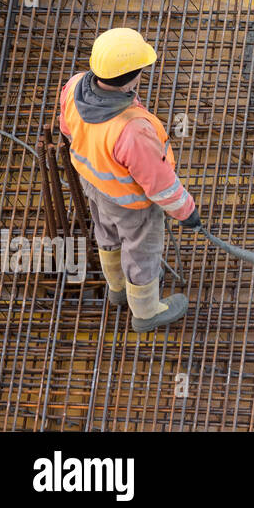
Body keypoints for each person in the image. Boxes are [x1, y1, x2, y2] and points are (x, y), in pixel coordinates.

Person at [58, 28, 198, 333]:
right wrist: (186, 212)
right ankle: (146, 313)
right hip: (131, 202)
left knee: (106, 234)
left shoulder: (73, 88)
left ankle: (118, 290)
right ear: (134, 77)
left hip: (93, 185)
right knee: (142, 252)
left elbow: (68, 132)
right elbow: (160, 184)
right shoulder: (133, 130)